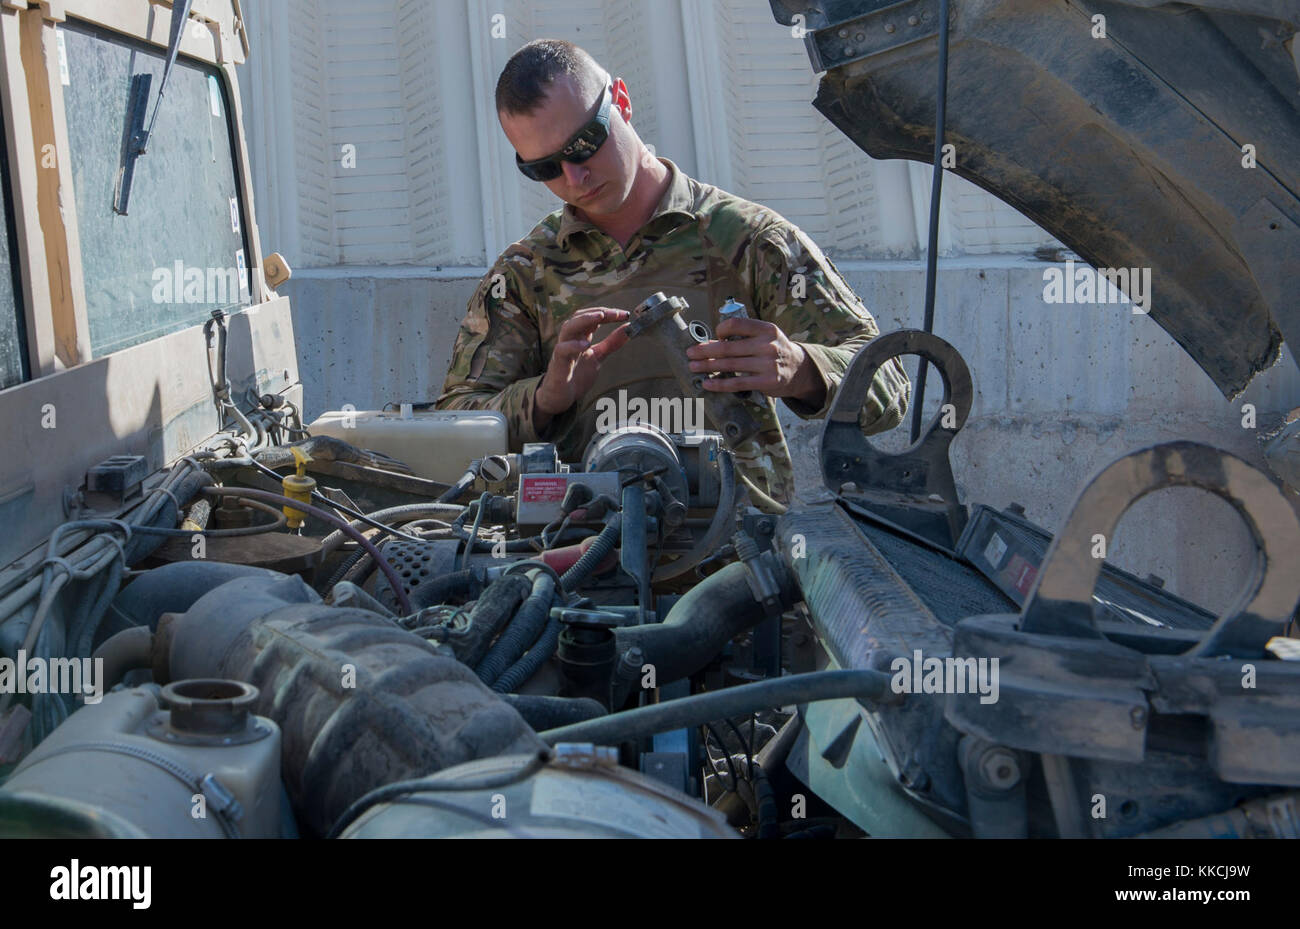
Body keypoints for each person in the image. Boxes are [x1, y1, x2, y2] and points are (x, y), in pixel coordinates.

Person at [436, 39, 909, 507]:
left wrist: (801, 369)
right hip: (584, 559)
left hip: (743, 560)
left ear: (620, 101)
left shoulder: (747, 239)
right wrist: (543, 399)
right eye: (544, 168)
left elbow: (889, 383)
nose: (574, 177)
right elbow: (450, 430)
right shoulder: (526, 274)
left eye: (583, 145)